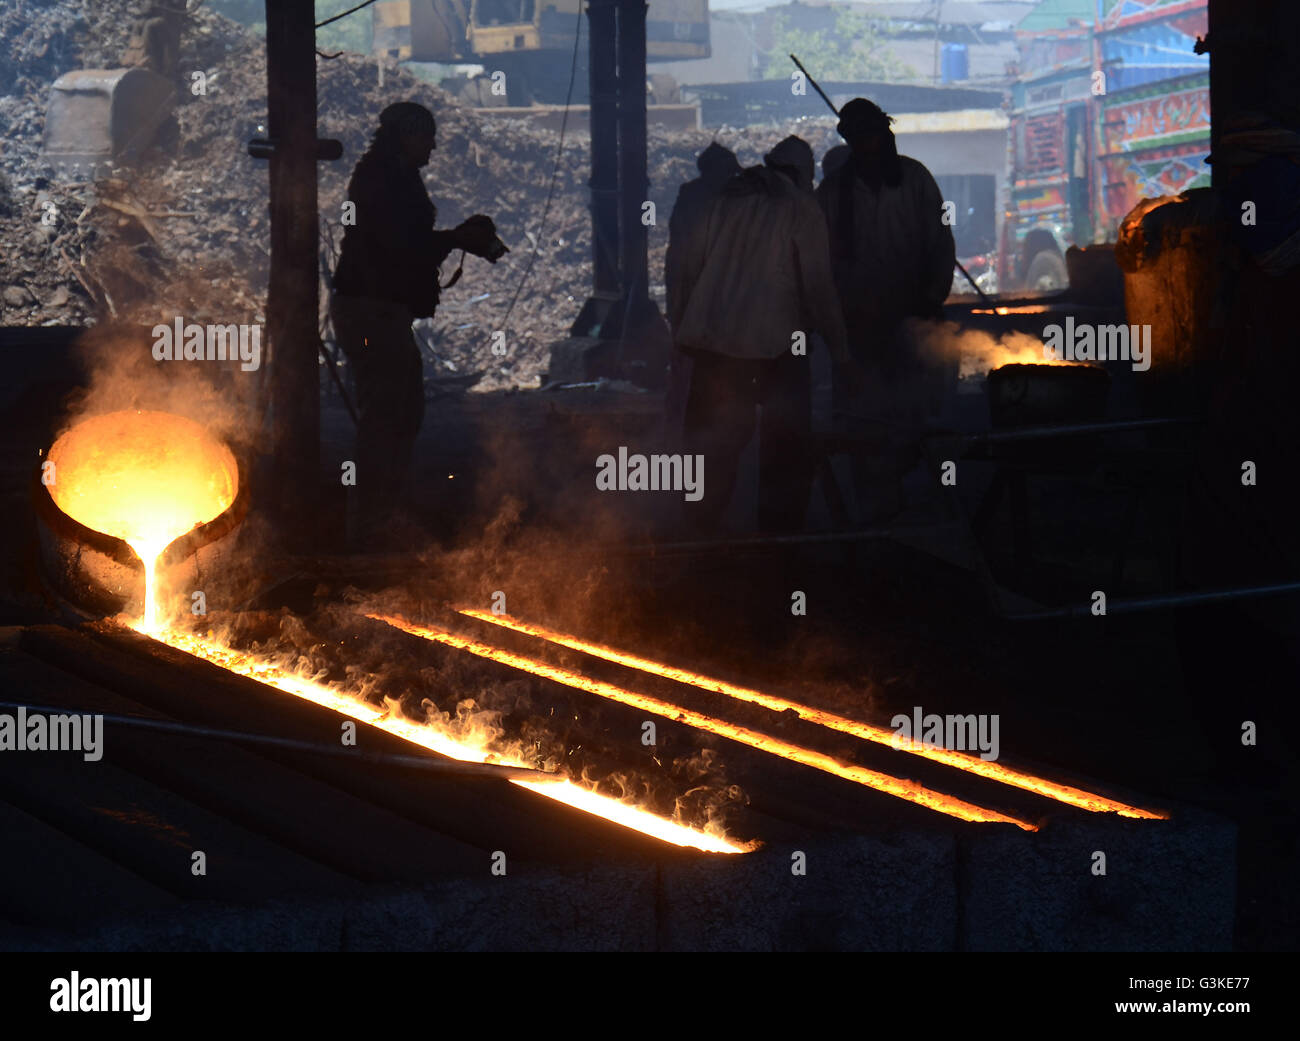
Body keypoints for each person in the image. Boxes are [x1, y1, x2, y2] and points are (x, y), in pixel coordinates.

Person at [330, 101, 501, 544]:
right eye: (426, 135)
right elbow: (400, 247)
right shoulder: (383, 180)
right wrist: (456, 239)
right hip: (372, 310)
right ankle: (369, 523)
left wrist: (453, 240)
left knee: (400, 411)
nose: (434, 143)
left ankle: (380, 513)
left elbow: (406, 243)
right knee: (388, 414)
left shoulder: (393, 175)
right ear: (406, 136)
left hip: (380, 310)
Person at [673, 135, 850, 534]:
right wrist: (840, 351)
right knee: (785, 447)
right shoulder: (801, 208)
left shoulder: (721, 201)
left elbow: (686, 268)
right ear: (803, 175)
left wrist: (681, 331)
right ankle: (778, 539)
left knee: (710, 445)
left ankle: (698, 536)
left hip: (714, 349)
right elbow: (819, 286)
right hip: (776, 349)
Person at [816, 98, 955, 520]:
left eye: (876, 134)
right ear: (852, 142)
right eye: (861, 138)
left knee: (912, 417)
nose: (871, 144)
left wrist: (932, 299)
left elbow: (939, 242)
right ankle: (871, 518)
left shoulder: (915, 180)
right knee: (864, 422)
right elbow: (818, 262)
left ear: (887, 135)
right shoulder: (832, 193)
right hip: (858, 328)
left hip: (912, 320)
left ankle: (921, 513)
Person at [664, 142, 742, 434]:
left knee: (693, 367)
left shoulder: (693, 196)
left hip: (697, 297)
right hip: (705, 298)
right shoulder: (716, 200)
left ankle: (691, 431)